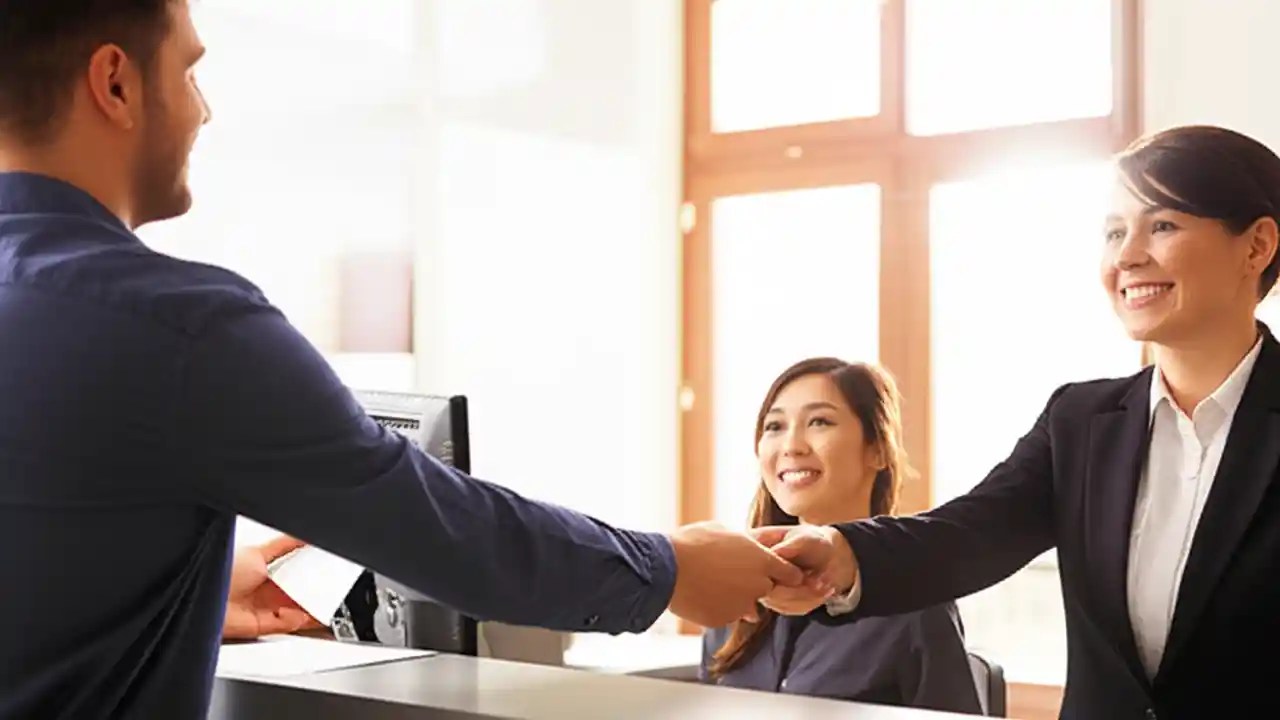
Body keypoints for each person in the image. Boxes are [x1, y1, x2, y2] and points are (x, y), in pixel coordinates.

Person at [0, 3, 804, 718]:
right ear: (116, 83)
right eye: (189, 71)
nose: (203, 112)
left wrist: (180, 597)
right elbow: (446, 533)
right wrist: (668, 570)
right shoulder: (182, 330)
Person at [755, 125, 1280, 719]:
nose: (1127, 255)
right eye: (1113, 232)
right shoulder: (1080, 422)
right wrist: (841, 549)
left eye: (1162, 225)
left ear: (1256, 246)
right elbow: (969, 534)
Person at [699, 358, 981, 714]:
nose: (791, 445)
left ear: (878, 449)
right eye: (774, 426)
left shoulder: (916, 598)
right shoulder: (736, 595)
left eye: (819, 422)